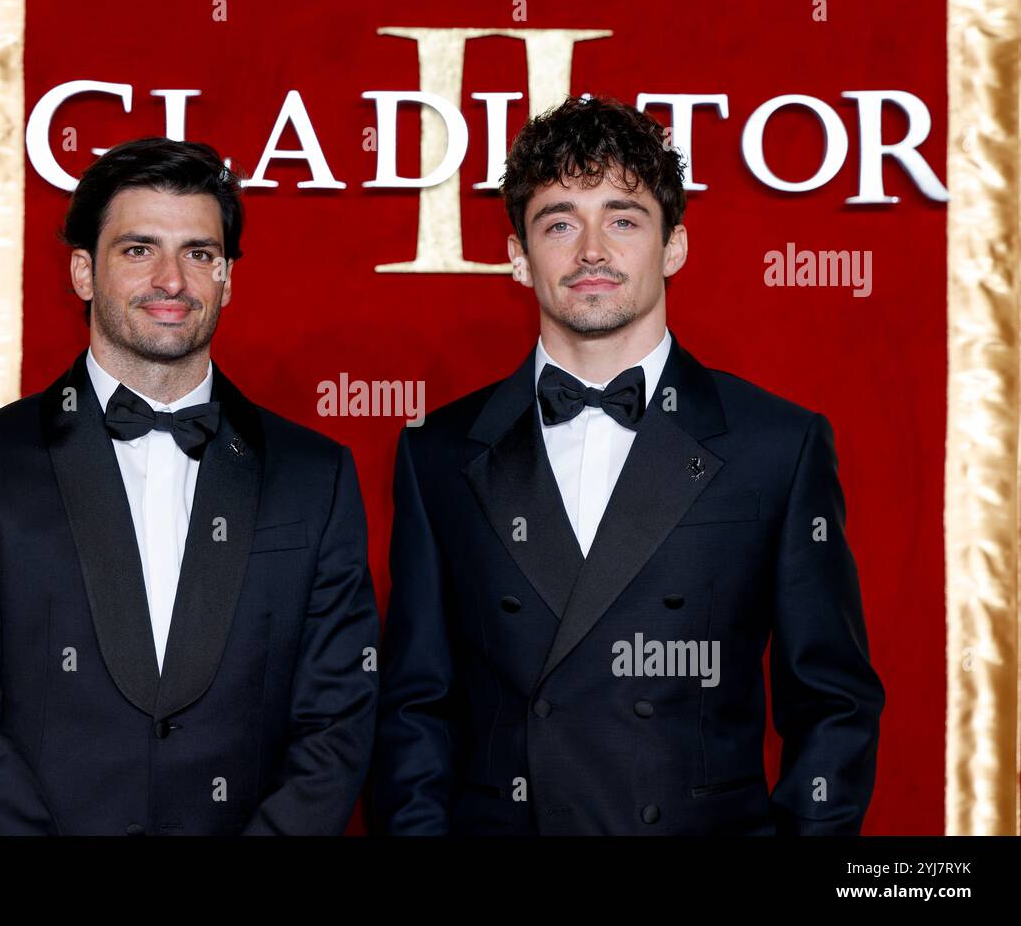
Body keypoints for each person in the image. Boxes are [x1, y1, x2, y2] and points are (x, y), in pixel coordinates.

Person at [370, 96, 884, 835]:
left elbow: (834, 701)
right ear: (518, 257)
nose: (591, 252)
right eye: (558, 222)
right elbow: (414, 708)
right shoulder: (438, 452)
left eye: (623, 218)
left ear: (673, 246)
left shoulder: (779, 443)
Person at [0, 137, 380, 835]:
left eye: (199, 253)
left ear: (227, 277)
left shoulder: (316, 474)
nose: (171, 279)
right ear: (82, 272)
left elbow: (337, 721)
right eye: (138, 250)